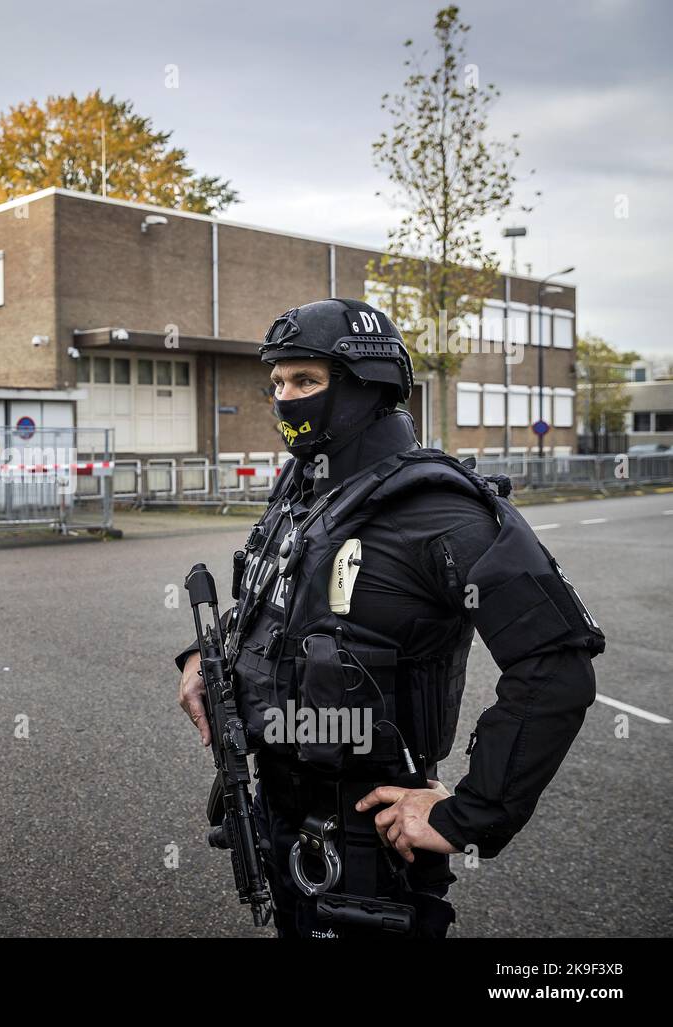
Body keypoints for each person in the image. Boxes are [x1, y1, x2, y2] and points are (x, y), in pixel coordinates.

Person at [174, 298, 604, 938]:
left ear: (366, 387)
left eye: (306, 381)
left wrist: (469, 814)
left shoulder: (437, 508)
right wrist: (201, 659)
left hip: (371, 837)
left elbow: (555, 662)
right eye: (277, 384)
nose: (285, 399)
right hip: (279, 809)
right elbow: (287, 603)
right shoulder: (306, 491)